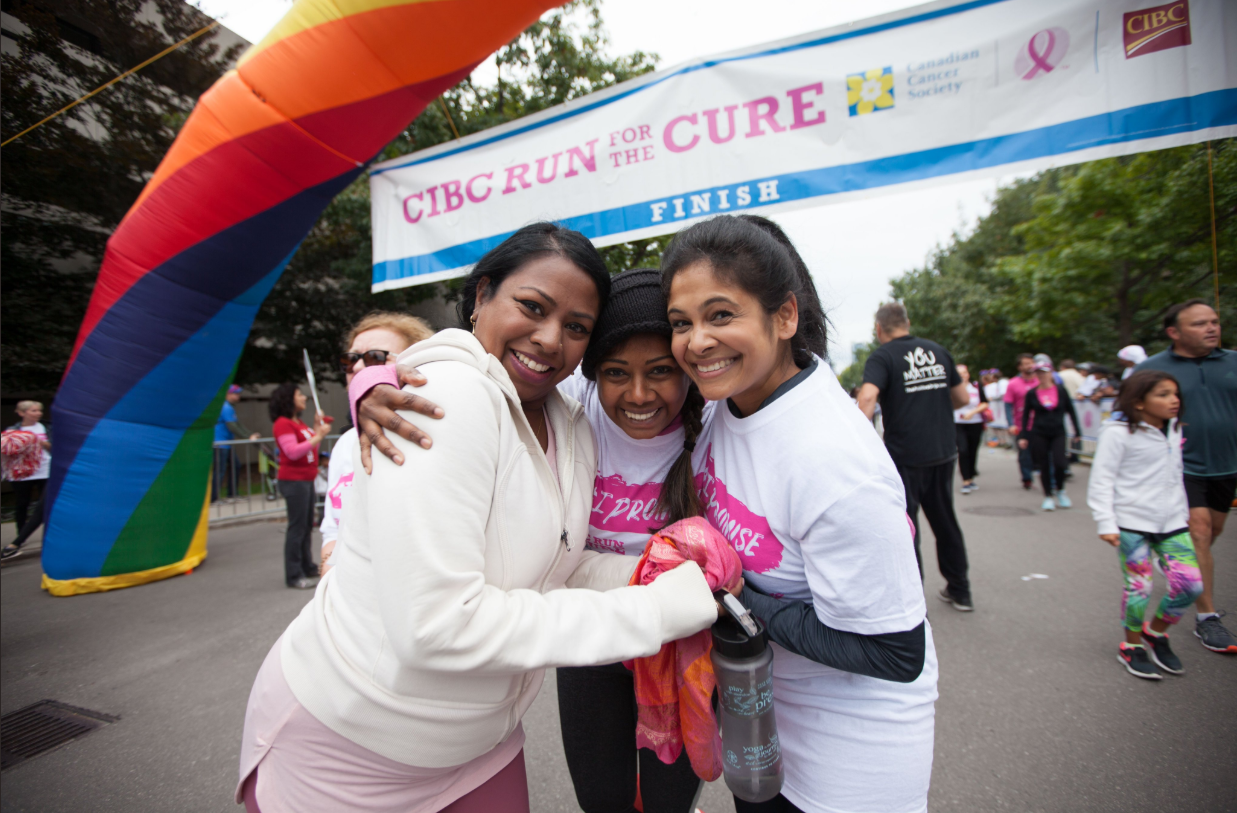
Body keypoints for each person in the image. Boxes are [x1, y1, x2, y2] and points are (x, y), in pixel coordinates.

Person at [236, 223, 722, 813]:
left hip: (481, 743)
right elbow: (437, 626)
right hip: (349, 746)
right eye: (532, 307)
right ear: (482, 294)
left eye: (576, 328)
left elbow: (555, 564)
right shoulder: (444, 398)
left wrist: (659, 571)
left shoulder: (566, 420)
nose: (548, 339)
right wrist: (658, 607)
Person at [666, 216, 936, 813]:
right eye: (681, 323)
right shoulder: (726, 404)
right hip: (761, 734)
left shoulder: (834, 462)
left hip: (849, 769)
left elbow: (896, 652)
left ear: (784, 316)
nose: (697, 341)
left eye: (721, 315)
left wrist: (730, 601)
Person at [1135, 299, 1237, 654]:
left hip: (1227, 465)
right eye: (1199, 324)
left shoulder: (1233, 362)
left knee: (1214, 532)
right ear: (1174, 332)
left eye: (1214, 322)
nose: (1211, 328)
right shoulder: (1152, 369)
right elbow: (1132, 418)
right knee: (1201, 532)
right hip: (1180, 467)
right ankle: (1207, 619)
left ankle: (1180, 565)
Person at [857, 302, 973, 612]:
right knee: (945, 520)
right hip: (943, 451)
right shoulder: (937, 351)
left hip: (905, 455)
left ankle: (913, 599)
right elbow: (962, 398)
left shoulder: (883, 356)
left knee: (906, 526)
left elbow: (867, 397)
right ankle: (960, 590)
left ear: (879, 329)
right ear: (907, 322)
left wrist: (858, 440)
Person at [1088, 370, 1202, 679]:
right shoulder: (1117, 432)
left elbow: (1175, 473)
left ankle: (1157, 633)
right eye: (1163, 395)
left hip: (1173, 521)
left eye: (1175, 394)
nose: (1174, 400)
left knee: (1190, 586)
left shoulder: (1174, 428)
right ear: (1139, 402)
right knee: (1140, 587)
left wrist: (1183, 511)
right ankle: (1132, 646)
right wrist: (1106, 522)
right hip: (1131, 523)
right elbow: (1101, 480)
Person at [319, 312, 433, 575]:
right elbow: (332, 527)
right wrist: (328, 575)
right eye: (350, 360)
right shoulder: (345, 444)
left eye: (375, 357)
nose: (358, 369)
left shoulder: (431, 430)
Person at [269, 383, 329, 589]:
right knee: (297, 528)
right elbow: (293, 452)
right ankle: (294, 575)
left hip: (305, 479)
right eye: (299, 395)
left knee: (305, 526)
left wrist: (315, 428)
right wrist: (318, 435)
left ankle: (307, 565)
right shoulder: (283, 423)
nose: (304, 398)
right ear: (288, 399)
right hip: (293, 480)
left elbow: (312, 450)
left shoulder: (299, 423)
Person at [1017, 362, 1079, 511]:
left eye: (1044, 372)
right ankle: (1048, 495)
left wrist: (1078, 431)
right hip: (1039, 432)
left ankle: (1060, 490)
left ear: (1051, 373)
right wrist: (1024, 436)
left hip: (1058, 431)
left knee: (1060, 463)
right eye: (1038, 373)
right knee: (1043, 465)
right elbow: (1026, 416)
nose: (1041, 376)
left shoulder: (1060, 390)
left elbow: (1071, 410)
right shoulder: (1032, 393)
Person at [1, 401, 52, 560]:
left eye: (39, 410)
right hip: (23, 473)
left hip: (46, 470)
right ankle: (19, 539)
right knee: (23, 504)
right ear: (22, 413)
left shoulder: (47, 427)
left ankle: (18, 543)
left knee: (44, 506)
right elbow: (8, 451)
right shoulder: (13, 430)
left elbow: (56, 447)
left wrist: (40, 442)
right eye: (33, 410)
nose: (38, 413)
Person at [214, 385, 260, 502]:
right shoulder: (225, 407)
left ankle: (232, 494)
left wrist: (250, 434)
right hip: (220, 444)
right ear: (228, 394)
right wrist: (249, 436)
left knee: (236, 465)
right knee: (220, 470)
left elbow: (237, 425)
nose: (238, 396)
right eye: (236, 393)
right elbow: (233, 426)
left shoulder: (229, 407)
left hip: (226, 444)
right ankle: (214, 498)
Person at [1004, 353, 1038, 489]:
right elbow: (1008, 405)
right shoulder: (1013, 383)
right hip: (1021, 424)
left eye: (1031, 362)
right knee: (1024, 453)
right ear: (1019, 367)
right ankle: (1027, 478)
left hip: (1040, 424)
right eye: (1026, 363)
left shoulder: (1039, 381)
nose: (1030, 366)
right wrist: (1011, 423)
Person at [953, 363, 988, 494]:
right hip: (958, 423)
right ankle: (966, 480)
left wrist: (972, 413)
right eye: (959, 373)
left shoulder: (976, 388)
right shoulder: (950, 388)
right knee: (963, 450)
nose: (962, 376)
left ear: (968, 374)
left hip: (975, 423)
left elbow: (985, 403)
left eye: (964, 373)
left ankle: (971, 476)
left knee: (972, 450)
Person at [983, 369, 1010, 447]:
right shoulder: (997, 384)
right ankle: (1000, 441)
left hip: (1001, 406)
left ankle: (1005, 441)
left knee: (1002, 424)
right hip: (998, 406)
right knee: (997, 424)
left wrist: (994, 398)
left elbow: (1003, 394)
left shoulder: (1003, 382)